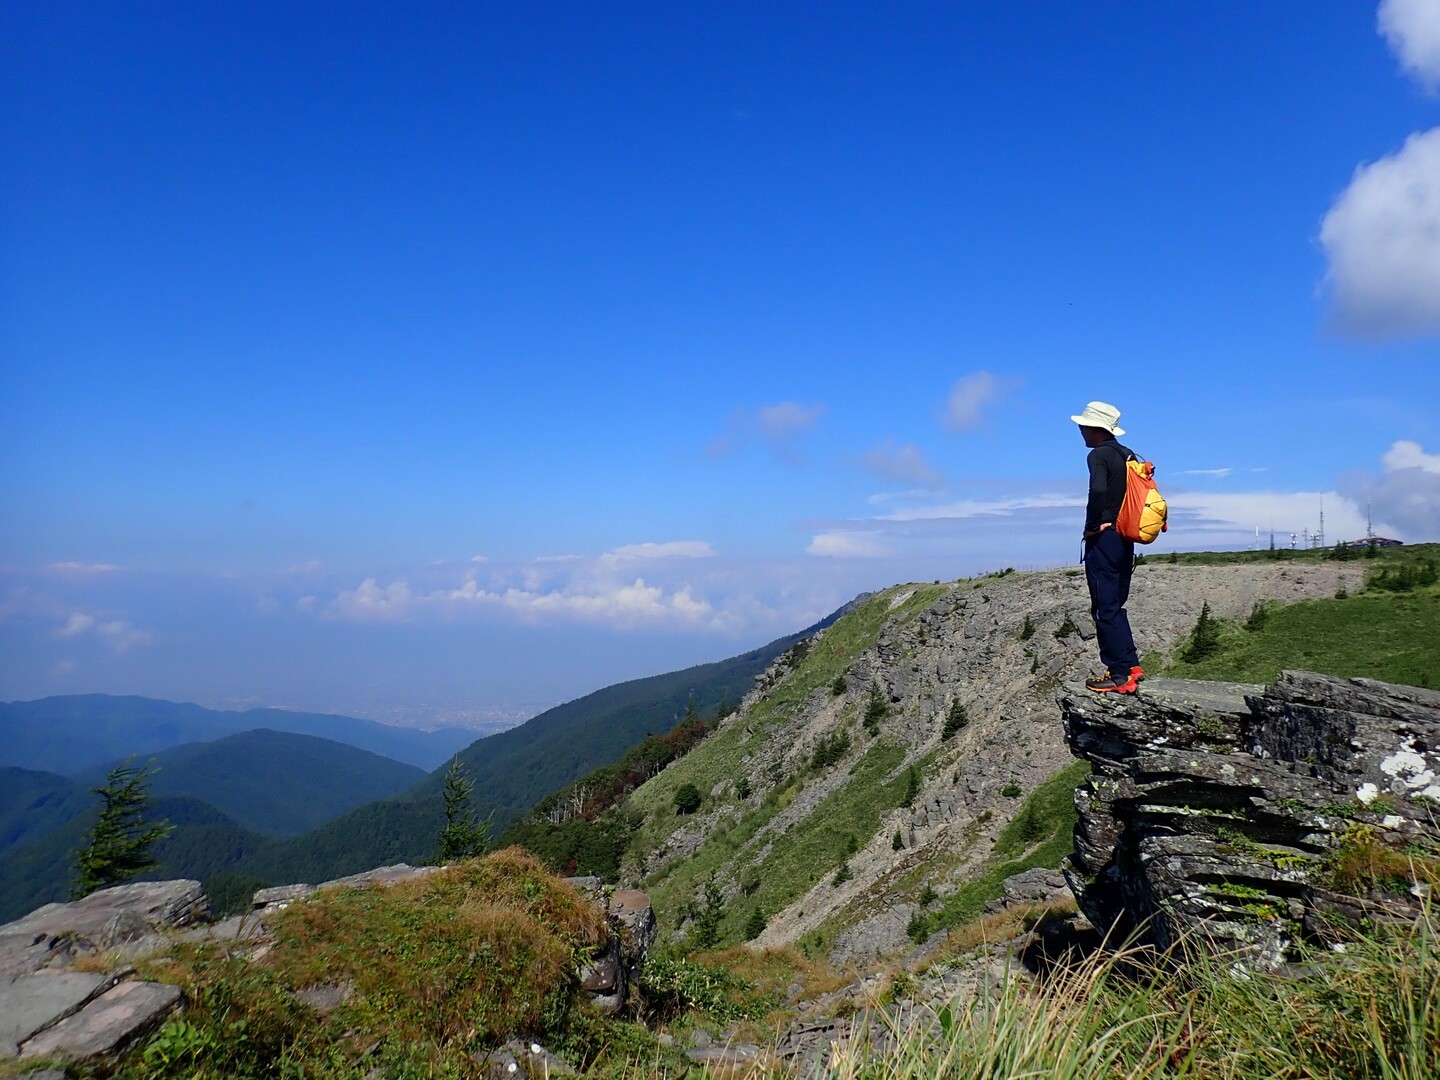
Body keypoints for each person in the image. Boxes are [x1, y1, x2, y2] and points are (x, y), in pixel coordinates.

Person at [1072, 401, 1142, 693]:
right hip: (1125, 536)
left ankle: (1118, 674)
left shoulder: (1098, 455)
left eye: (1083, 426)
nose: (1080, 430)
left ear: (1094, 428)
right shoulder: (1128, 455)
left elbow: (1098, 490)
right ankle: (1131, 664)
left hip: (1105, 538)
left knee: (1104, 608)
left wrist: (1093, 524)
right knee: (1116, 605)